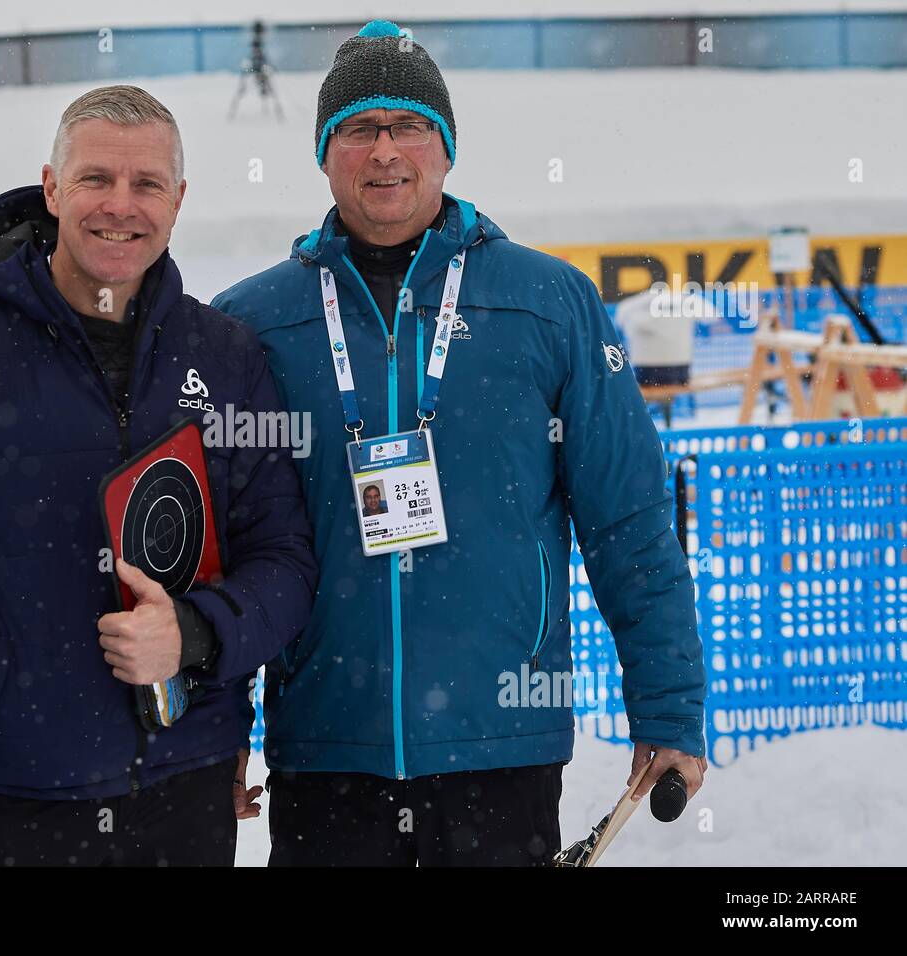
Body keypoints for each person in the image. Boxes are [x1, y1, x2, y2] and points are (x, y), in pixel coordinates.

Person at [212, 21, 708, 867]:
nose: (385, 150)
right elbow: (223, 554)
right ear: (325, 156)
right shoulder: (254, 324)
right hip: (329, 749)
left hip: (503, 748)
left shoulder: (550, 304)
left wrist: (668, 710)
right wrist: (217, 735)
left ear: (445, 149)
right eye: (358, 129)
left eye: (408, 126)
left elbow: (628, 520)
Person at [0, 85, 316, 867]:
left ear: (179, 200)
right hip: (5, 804)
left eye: (147, 184)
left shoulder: (224, 356)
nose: (121, 205)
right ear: (52, 188)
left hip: (187, 798)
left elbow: (284, 560)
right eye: (96, 179)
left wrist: (192, 636)